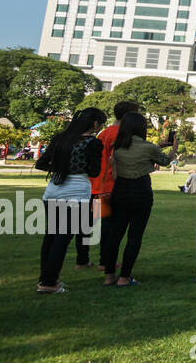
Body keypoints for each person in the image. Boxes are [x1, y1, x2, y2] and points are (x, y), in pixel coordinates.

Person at [35, 108, 107, 294]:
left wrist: (61, 167)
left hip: (53, 191)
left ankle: (46, 278)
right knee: (62, 239)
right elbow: (93, 171)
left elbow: (41, 163)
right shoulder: (92, 143)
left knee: (51, 236)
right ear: (95, 123)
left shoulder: (61, 138)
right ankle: (49, 282)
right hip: (76, 192)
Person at [100, 112, 176, 288]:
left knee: (115, 235)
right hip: (140, 191)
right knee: (135, 236)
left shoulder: (117, 146)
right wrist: (173, 149)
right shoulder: (147, 147)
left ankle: (109, 275)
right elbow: (164, 161)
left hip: (120, 190)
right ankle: (124, 277)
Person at [86, 99, 141, 274]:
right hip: (110, 186)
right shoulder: (120, 134)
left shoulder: (104, 132)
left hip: (95, 184)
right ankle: (105, 261)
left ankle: (83, 259)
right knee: (109, 227)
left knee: (90, 224)